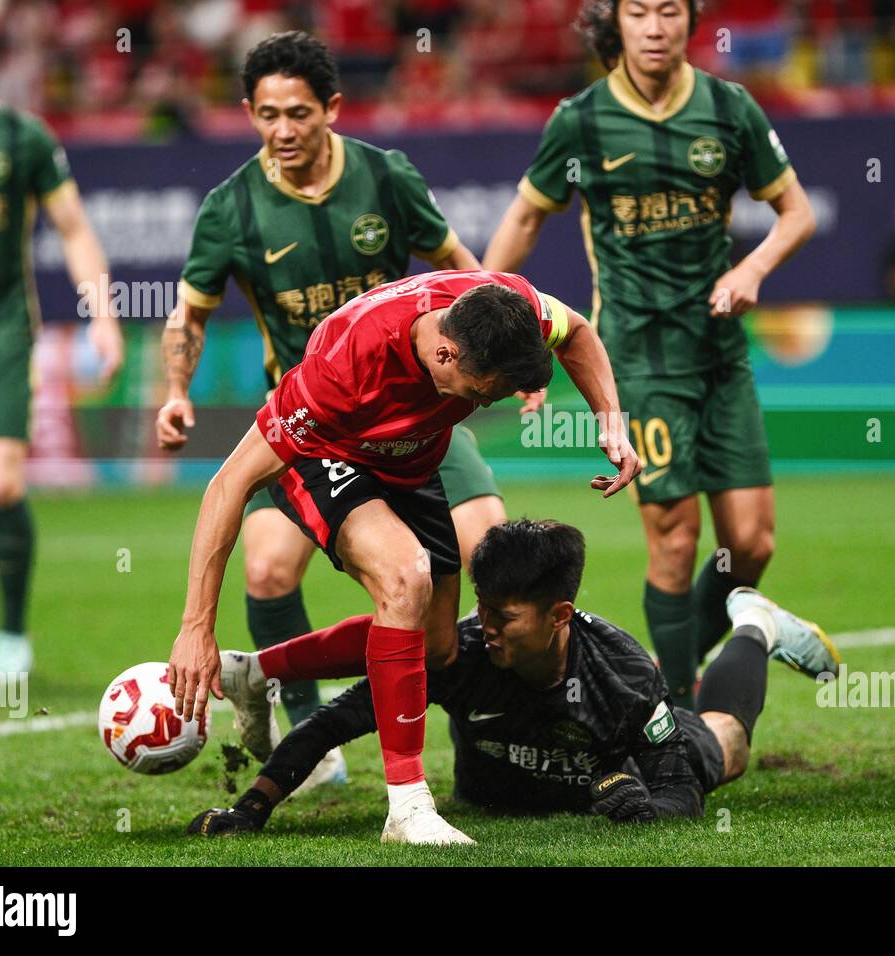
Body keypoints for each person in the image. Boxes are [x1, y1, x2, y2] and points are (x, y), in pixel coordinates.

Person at [166, 269, 639, 845]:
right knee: (405, 577)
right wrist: (196, 628)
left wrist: (611, 423)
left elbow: (579, 332)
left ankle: (255, 671)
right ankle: (408, 807)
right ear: (446, 352)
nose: (488, 402)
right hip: (329, 457)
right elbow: (227, 485)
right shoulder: (344, 371)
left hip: (409, 459)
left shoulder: (508, 305)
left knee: (436, 647)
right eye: (485, 390)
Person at [155, 31, 504, 789]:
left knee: (493, 547)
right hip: (319, 426)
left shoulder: (385, 177)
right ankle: (310, 729)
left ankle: (485, 724)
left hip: (422, 411)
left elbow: (459, 269)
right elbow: (188, 316)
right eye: (267, 114)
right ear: (249, 113)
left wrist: (496, 344)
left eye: (299, 114)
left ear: (333, 110)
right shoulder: (230, 209)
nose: (282, 131)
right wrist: (177, 390)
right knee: (269, 566)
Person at [482, 0, 816, 709]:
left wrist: (752, 270)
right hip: (636, 356)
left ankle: (674, 672)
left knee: (751, 545)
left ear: (691, 21)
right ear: (621, 24)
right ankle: (680, 710)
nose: (656, 26)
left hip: (721, 354)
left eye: (669, 11)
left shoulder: (729, 109)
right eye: (640, 12)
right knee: (674, 535)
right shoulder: (582, 119)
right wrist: (493, 326)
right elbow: (526, 217)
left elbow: (798, 212)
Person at [187, 519, 839, 835]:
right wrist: (253, 807)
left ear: (559, 615)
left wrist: (644, 810)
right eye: (480, 608)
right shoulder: (462, 654)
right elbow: (336, 721)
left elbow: (676, 788)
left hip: (641, 754)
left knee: (729, 742)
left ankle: (755, 624)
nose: (485, 626)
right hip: (495, 796)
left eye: (504, 615)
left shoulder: (623, 676)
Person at [0, 13, 123, 677]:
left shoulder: (22, 138)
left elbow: (73, 229)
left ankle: (12, 636)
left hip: (1, 337)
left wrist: (102, 314)